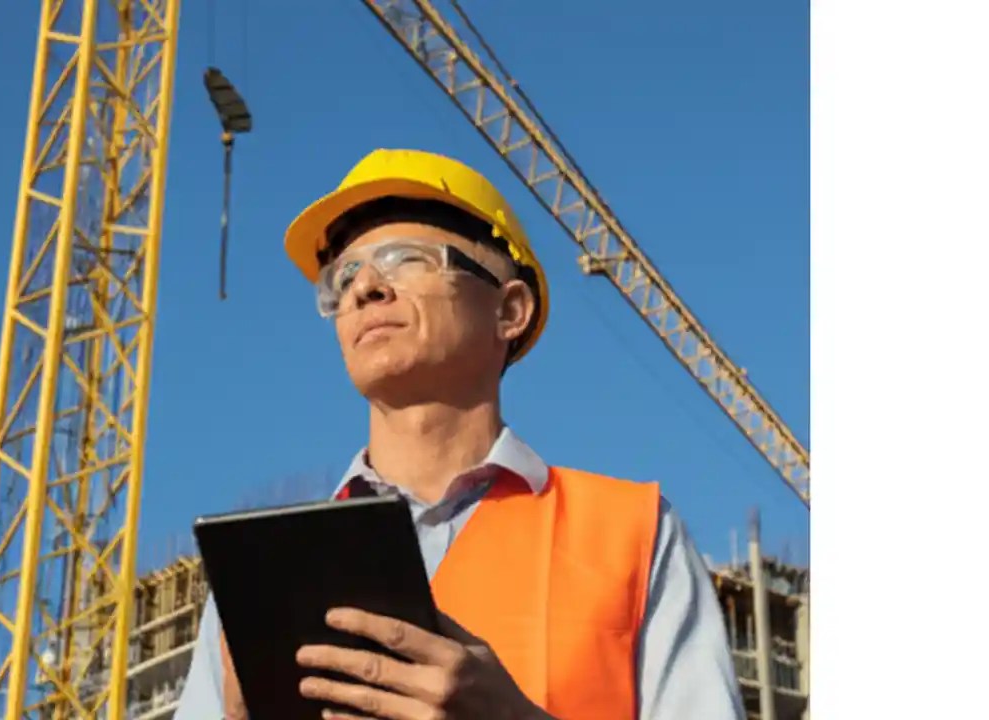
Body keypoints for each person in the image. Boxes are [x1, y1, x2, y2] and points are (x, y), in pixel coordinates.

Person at [174, 148, 744, 720]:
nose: (364, 287)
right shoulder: (261, 574)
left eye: (405, 259)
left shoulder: (631, 536)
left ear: (509, 310)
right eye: (343, 276)